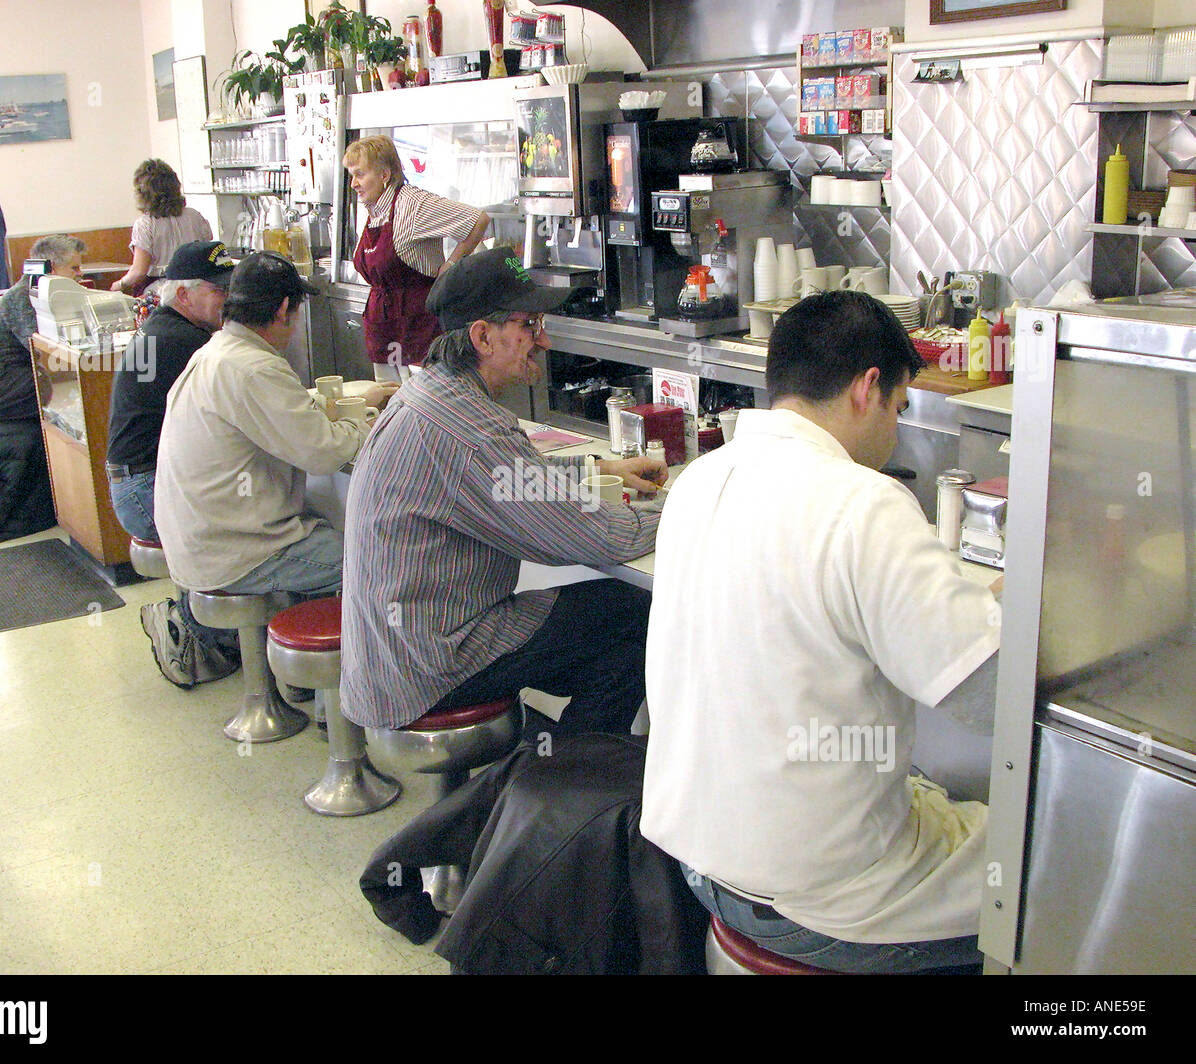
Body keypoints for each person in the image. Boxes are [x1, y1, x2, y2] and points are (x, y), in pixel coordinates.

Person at [640, 289, 1003, 974]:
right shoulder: (864, 503)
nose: (896, 431)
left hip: (694, 861)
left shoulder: (698, 480)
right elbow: (989, 698)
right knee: (1042, 872)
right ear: (869, 389)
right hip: (822, 900)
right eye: (899, 407)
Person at [340, 248, 666, 740]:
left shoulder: (431, 393)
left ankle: (564, 766)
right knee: (637, 615)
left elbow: (513, 479)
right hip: (430, 664)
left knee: (610, 625)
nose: (546, 339)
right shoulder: (475, 431)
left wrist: (598, 468)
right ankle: (560, 791)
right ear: (482, 337)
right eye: (531, 324)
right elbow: (592, 538)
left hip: (393, 652)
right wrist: (687, 507)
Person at [154, 251, 396, 600]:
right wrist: (369, 421)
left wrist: (360, 401)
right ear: (284, 310)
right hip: (237, 556)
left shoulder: (216, 352)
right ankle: (351, 652)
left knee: (330, 526)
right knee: (382, 560)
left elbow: (279, 416)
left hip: (198, 544)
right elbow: (325, 453)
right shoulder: (255, 368)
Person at [107, 240, 241, 688]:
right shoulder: (188, 344)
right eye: (219, 289)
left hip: (129, 483)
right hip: (146, 490)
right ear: (183, 294)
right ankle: (201, 634)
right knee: (263, 529)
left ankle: (205, 625)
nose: (231, 299)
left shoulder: (155, 330)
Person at [343, 134, 489, 384]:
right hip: (384, 323)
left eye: (360, 174)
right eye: (351, 175)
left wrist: (450, 265)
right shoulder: (375, 208)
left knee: (426, 399)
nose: (354, 183)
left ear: (384, 175)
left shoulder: (413, 204)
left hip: (419, 323)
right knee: (389, 399)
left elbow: (477, 219)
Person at [0, 234, 86, 420]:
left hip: (12, 378)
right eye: (74, 268)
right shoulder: (23, 297)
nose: (80, 273)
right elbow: (45, 347)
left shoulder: (40, 292)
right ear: (52, 268)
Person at [110, 159, 212, 296]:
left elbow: (139, 272)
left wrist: (119, 284)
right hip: (198, 286)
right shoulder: (194, 216)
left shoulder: (145, 224)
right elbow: (207, 245)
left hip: (162, 290)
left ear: (142, 193)